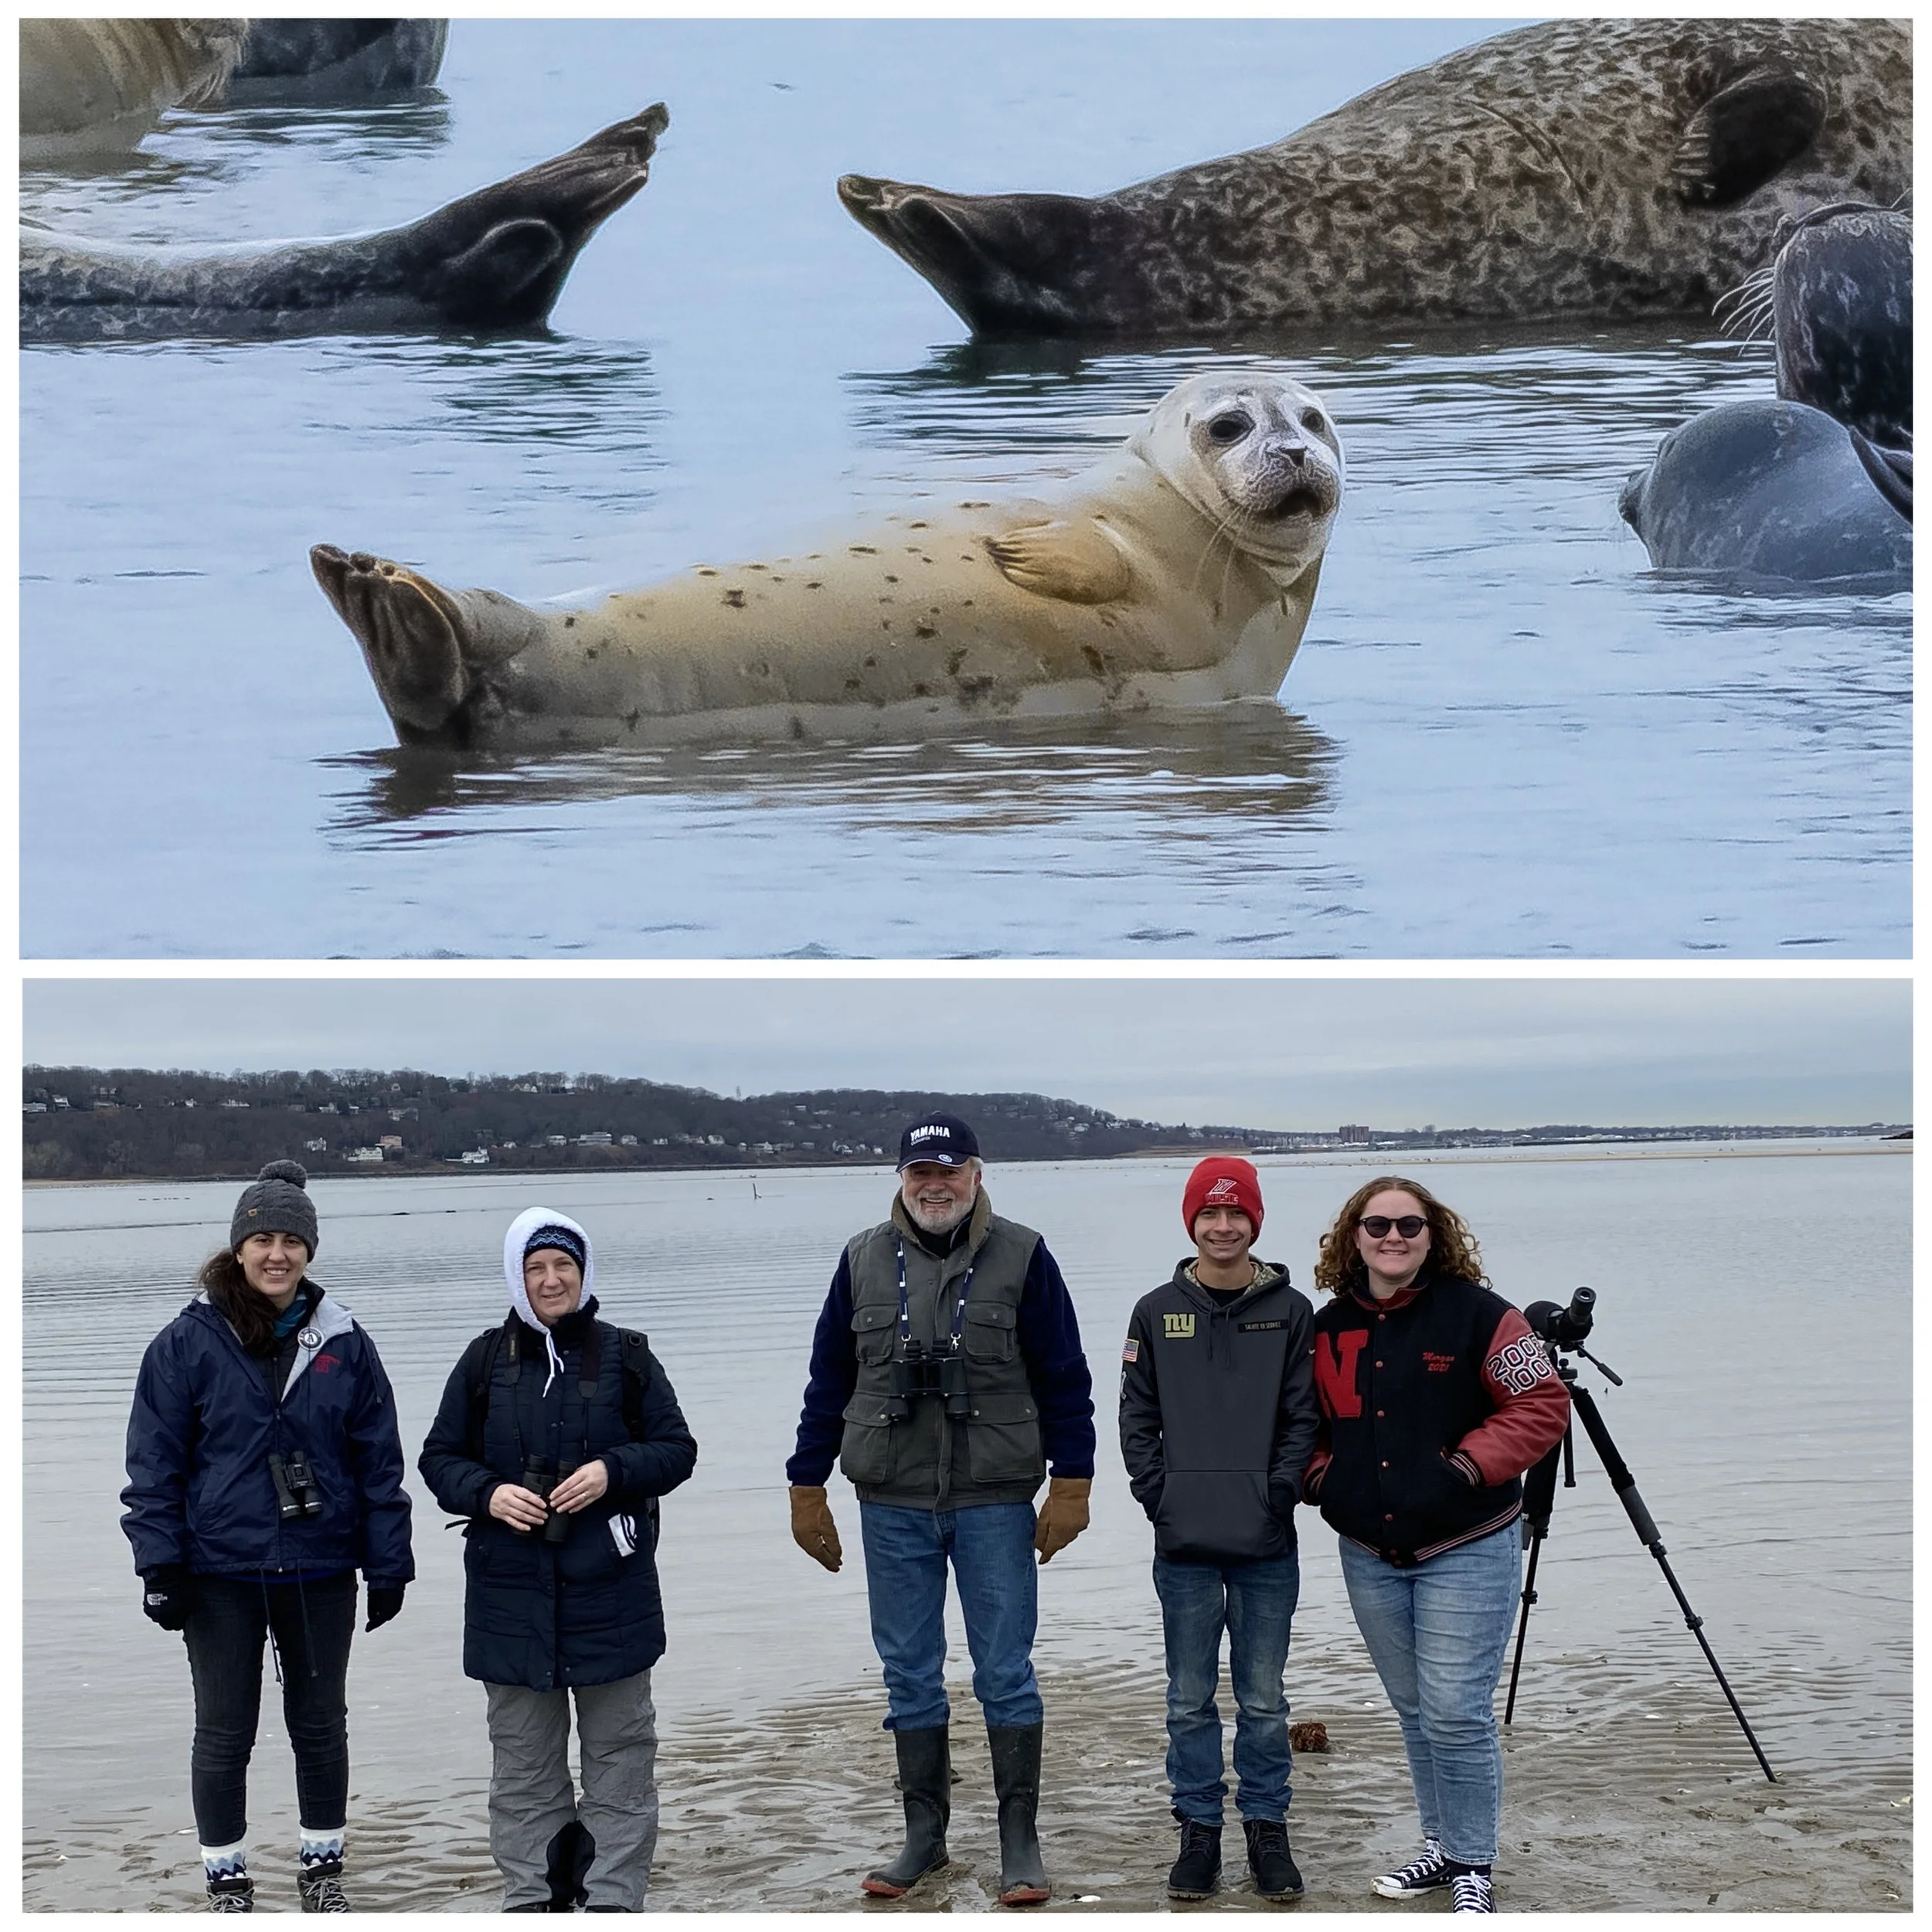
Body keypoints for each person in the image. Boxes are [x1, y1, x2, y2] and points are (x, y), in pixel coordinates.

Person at [787, 1113, 1097, 1906]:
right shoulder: (860, 1258)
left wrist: (1073, 1482)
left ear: (977, 1173)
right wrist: (806, 1482)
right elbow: (828, 1379)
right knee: (908, 1675)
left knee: (1005, 1672)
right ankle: (924, 1837)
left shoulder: (1025, 1254)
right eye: (919, 1170)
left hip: (995, 1496)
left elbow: (1065, 1377)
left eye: (948, 1170)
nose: (934, 1183)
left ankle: (1017, 1840)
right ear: (900, 1176)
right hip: (889, 1501)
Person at [121, 1159, 415, 1913]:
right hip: (218, 1570)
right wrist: (158, 1563)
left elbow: (378, 1459)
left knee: (320, 1726)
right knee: (224, 1730)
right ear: (238, 1247)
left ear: (309, 1249)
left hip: (319, 1566)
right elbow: (153, 1465)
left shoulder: (344, 1340)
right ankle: (228, 1878)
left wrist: (389, 1564)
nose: (277, 1254)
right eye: (263, 1239)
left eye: (291, 1239)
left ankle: (322, 1872)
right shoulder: (186, 1343)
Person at [419, 1206, 696, 1913]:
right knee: (523, 1769)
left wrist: (612, 1470)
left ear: (584, 1272)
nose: (550, 1280)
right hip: (509, 1601)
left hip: (614, 1594)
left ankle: (610, 1901)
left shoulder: (629, 1356)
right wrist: (488, 1494)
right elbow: (438, 1457)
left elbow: (677, 1450)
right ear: (517, 1277)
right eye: (536, 1268)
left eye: (563, 1267)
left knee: (621, 1762)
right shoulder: (484, 1360)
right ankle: (533, 1901)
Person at [1304, 1177, 1570, 1915]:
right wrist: (1326, 1480)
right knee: (1417, 1709)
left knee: (1457, 1709)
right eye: (1378, 1225)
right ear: (1353, 1236)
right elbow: (1301, 1430)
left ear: (1435, 1235)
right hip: (1368, 1549)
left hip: (1470, 1542)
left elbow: (1543, 1404)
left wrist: (1462, 1469)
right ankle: (1441, 1847)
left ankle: (1475, 1863)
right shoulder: (1325, 1329)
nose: (1394, 1238)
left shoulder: (1485, 1318)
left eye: (1411, 1226)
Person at [1119, 1157, 1319, 1902]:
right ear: (1192, 1223)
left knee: (1264, 1699)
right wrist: (1158, 1498)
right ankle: (1199, 1829)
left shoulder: (1292, 1310)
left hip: (1268, 1540)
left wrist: (1280, 1493)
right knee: (1189, 1697)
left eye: (1237, 1215)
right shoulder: (1154, 1310)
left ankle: (1267, 1826)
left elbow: (1305, 1417)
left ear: (1255, 1222)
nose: (1224, 1226)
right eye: (1211, 1214)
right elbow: (1136, 1418)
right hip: (1184, 1543)